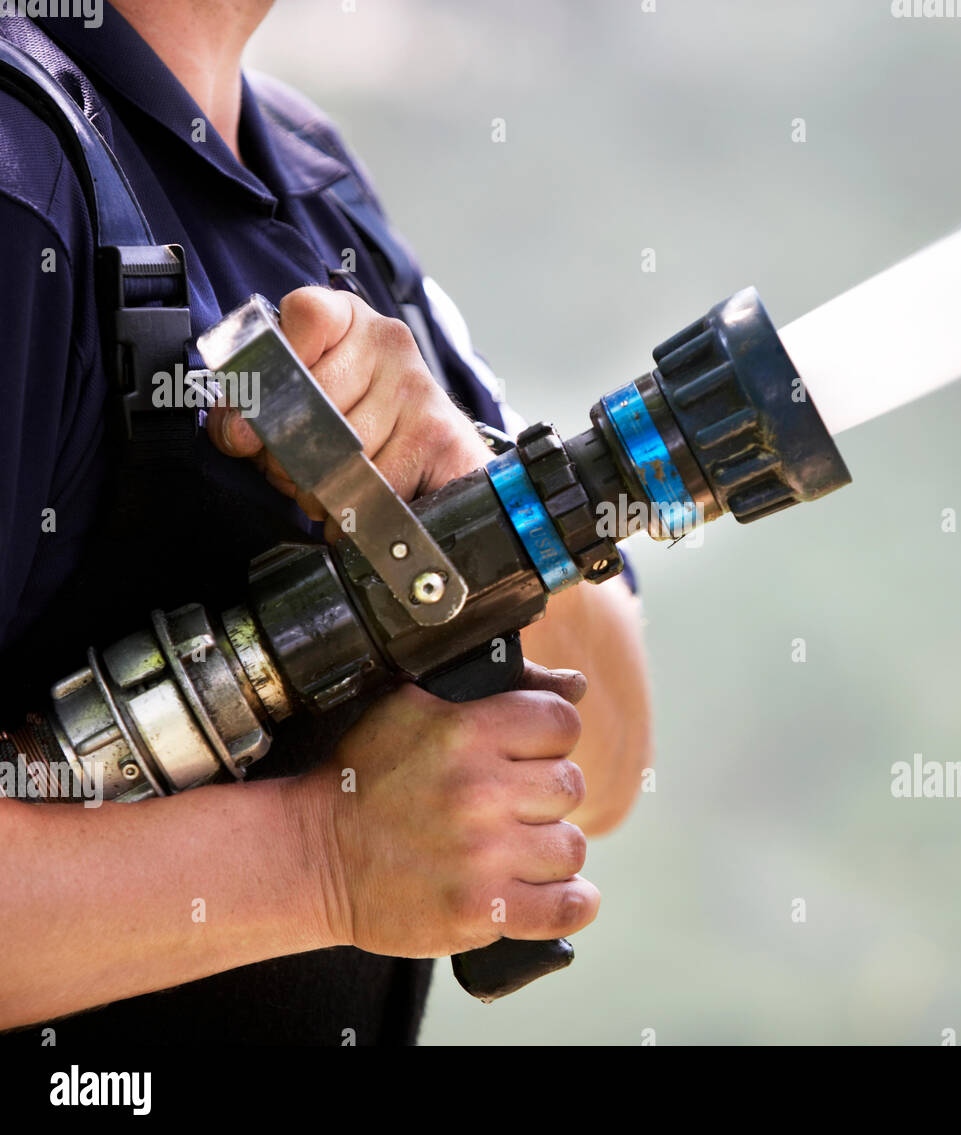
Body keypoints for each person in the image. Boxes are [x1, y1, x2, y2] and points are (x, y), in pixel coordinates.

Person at [0, 1, 651, 1044]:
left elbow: (605, 761)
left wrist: (465, 497)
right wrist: (320, 860)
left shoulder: (315, 178)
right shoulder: (17, 180)